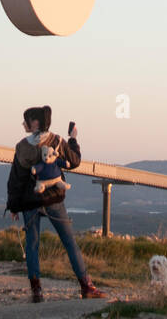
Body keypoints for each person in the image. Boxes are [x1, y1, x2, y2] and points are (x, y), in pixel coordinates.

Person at [6, 106, 106, 303]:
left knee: (32, 245)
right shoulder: (57, 141)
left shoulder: (22, 147)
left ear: (35, 123)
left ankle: (37, 291)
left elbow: (16, 179)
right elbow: (75, 161)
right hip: (54, 200)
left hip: (30, 201)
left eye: (26, 120)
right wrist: (73, 139)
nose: (24, 124)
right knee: (69, 242)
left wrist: (13, 206)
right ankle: (86, 286)